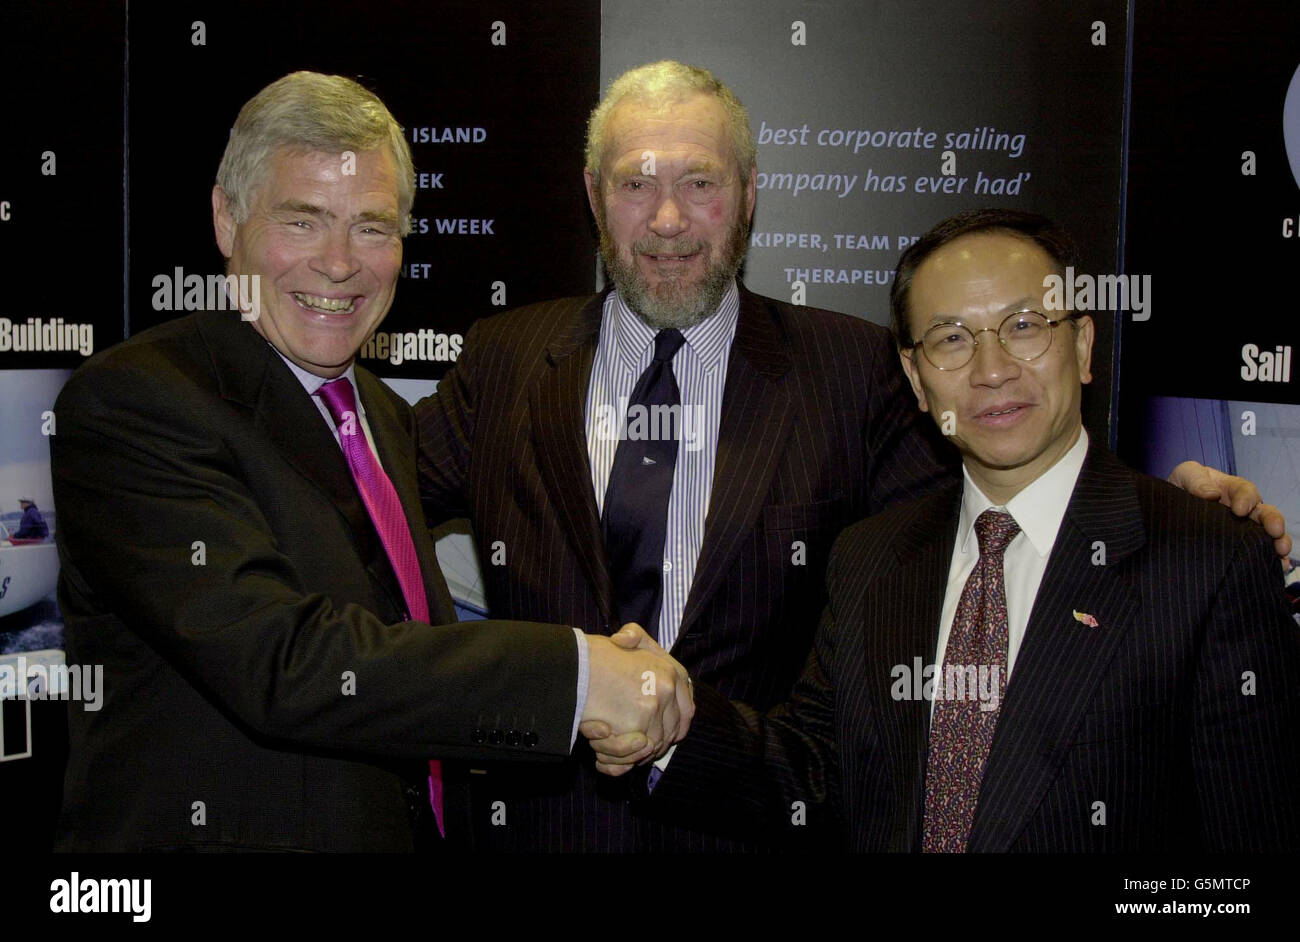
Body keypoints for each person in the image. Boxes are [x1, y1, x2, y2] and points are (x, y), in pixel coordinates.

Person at [414, 61, 1285, 851]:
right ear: (594, 195)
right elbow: (365, 502)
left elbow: (1006, 466)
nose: (669, 216)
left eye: (701, 181)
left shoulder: (853, 369)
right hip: (539, 835)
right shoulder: (504, 359)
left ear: (750, 194)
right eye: (637, 182)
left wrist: (1158, 509)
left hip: (755, 833)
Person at [50, 71, 690, 853]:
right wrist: (579, 677)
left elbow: (396, 659)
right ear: (226, 218)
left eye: (373, 228)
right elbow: (283, 664)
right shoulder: (137, 402)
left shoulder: (381, 415)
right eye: (304, 220)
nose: (340, 263)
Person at [604, 209, 1300, 852]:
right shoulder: (873, 558)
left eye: (1025, 326)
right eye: (952, 339)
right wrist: (670, 729)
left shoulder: (1209, 558)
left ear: (1083, 343)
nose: (992, 371)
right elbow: (812, 776)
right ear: (914, 375)